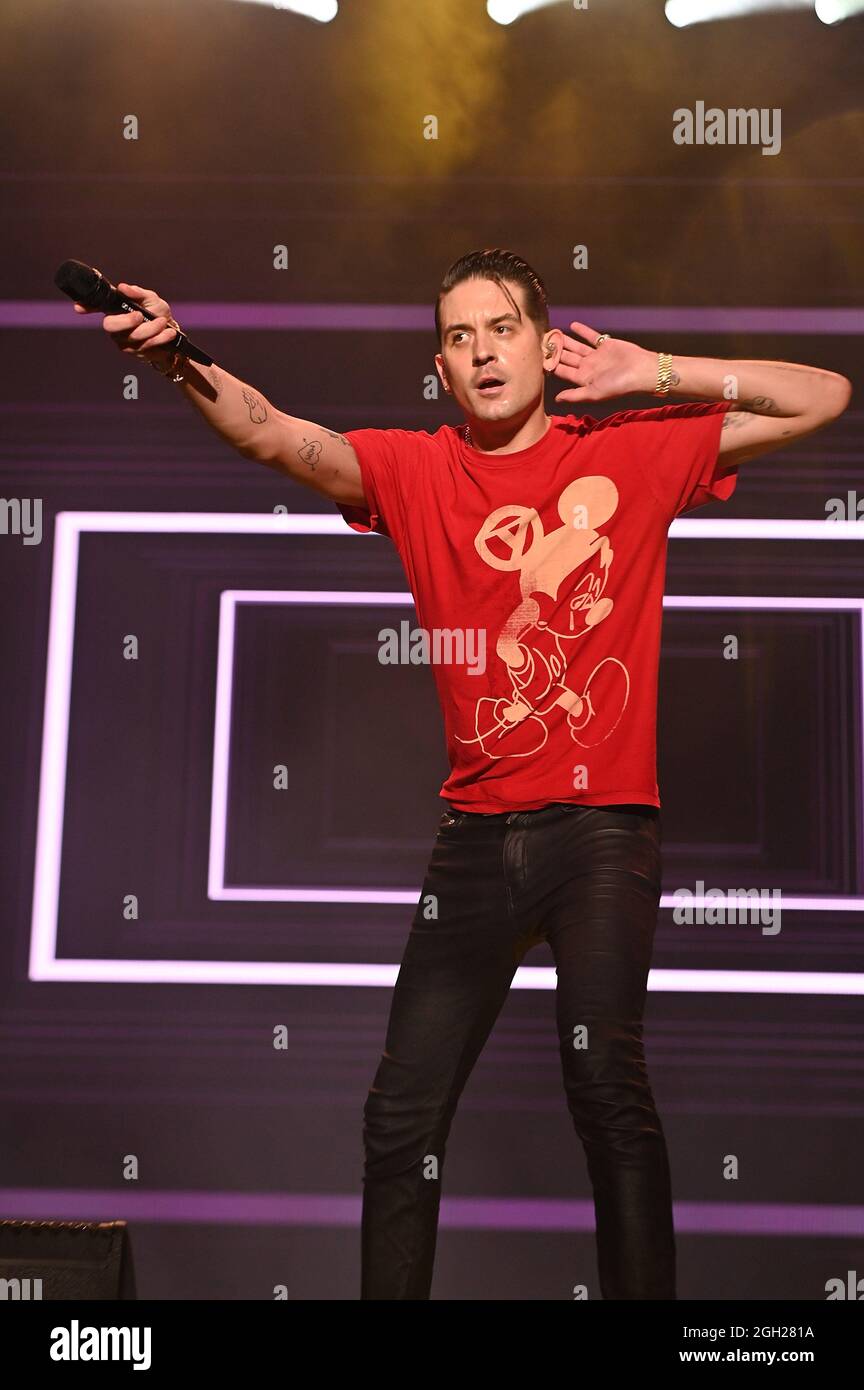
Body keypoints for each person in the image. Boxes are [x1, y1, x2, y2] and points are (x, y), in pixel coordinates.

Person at [74, 248, 851, 1299]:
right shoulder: (418, 467)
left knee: (605, 1088)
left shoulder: (633, 451)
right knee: (402, 1115)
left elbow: (825, 395)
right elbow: (270, 430)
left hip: (601, 829)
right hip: (477, 839)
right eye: (457, 336)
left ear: (543, 339)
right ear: (439, 364)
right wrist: (176, 358)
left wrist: (653, 370)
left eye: (500, 328)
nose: (480, 352)